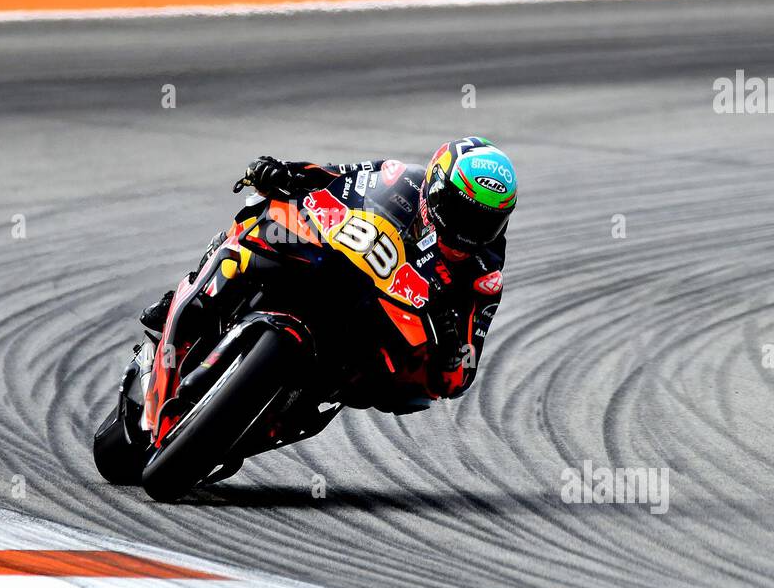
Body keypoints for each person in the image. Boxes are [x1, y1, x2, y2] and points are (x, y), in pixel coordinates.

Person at [141, 137, 516, 400]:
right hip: (333, 263)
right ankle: (187, 294)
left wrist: (450, 349)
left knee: (390, 391)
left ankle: (274, 407)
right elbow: (331, 176)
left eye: (483, 223)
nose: (467, 231)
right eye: (458, 211)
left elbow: (461, 376)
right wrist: (281, 172)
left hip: (375, 338)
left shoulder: (484, 273)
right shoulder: (398, 178)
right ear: (434, 188)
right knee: (262, 222)